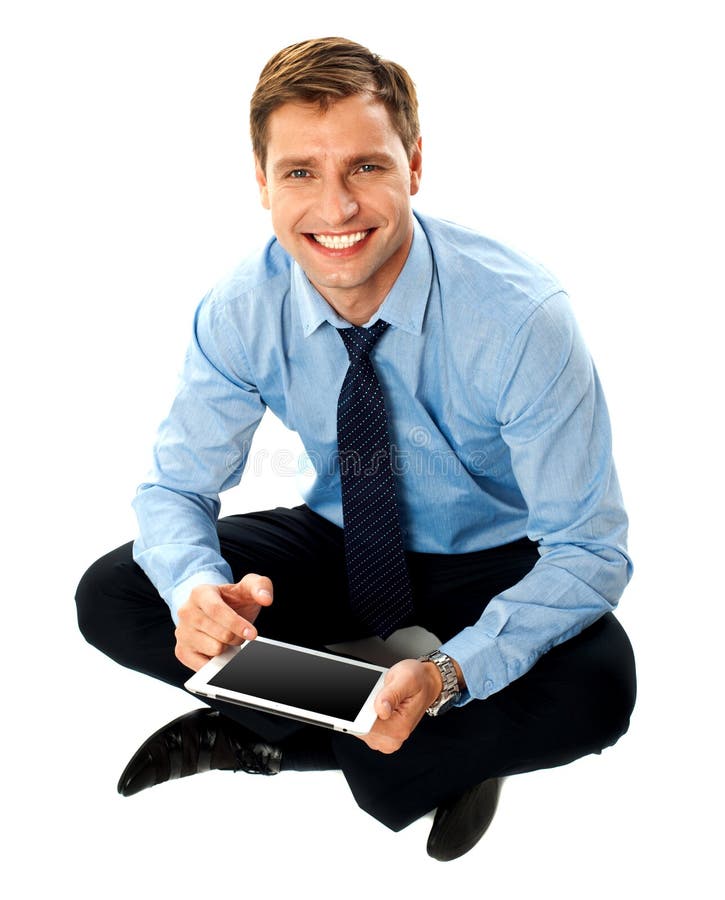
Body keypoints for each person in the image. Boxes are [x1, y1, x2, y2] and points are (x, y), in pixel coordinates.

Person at [75, 36, 636, 861]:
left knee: (600, 689)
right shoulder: (242, 307)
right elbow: (175, 492)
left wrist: (452, 672)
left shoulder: (519, 319)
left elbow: (589, 549)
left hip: (491, 556)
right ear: (261, 182)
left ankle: (280, 736)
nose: (335, 209)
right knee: (118, 593)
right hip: (341, 538)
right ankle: (418, 746)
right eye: (300, 171)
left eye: (365, 168)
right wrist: (198, 592)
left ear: (413, 164)